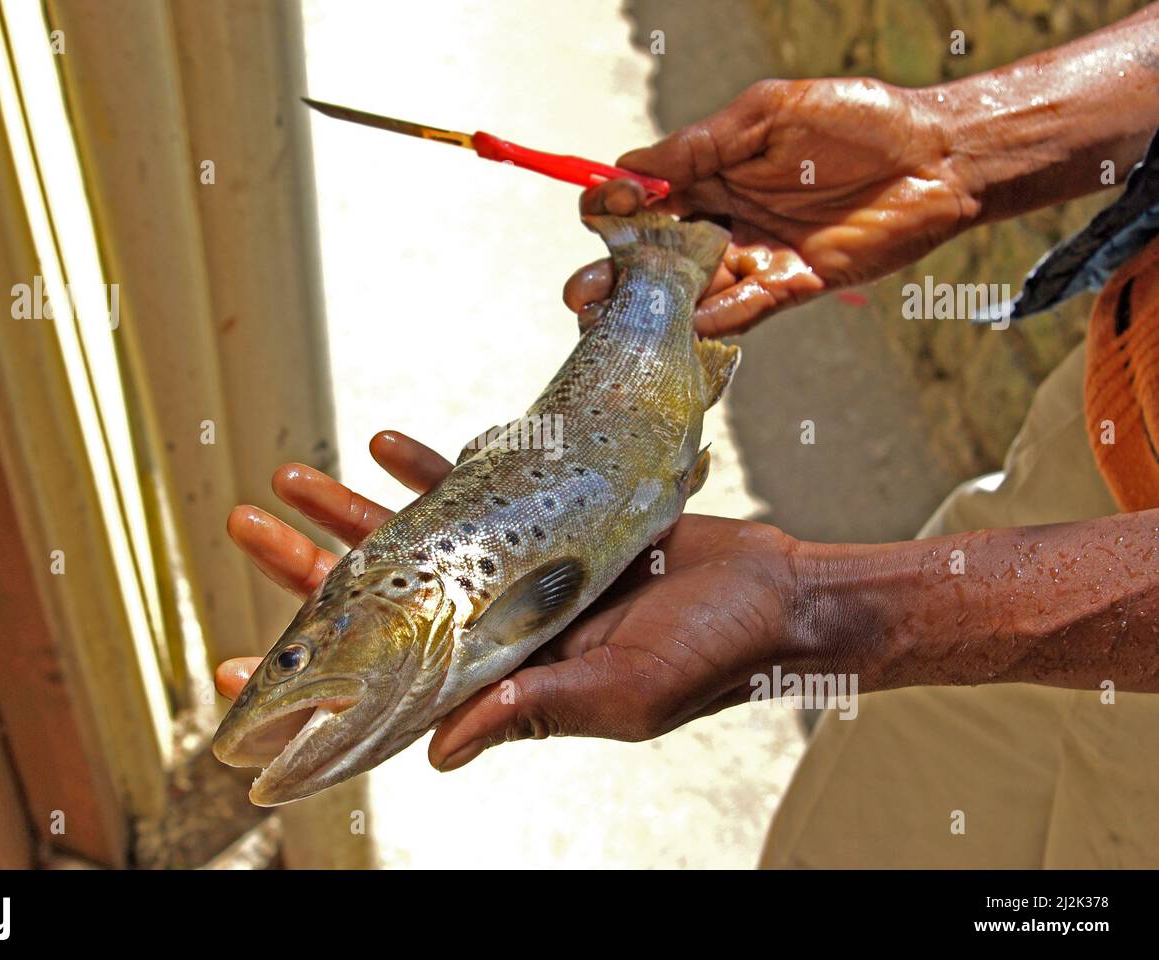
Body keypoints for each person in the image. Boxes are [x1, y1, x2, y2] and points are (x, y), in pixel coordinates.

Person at [217, 6, 1159, 866]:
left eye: (302, 658)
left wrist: (817, 612)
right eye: (297, 657)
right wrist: (957, 148)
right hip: (1110, 422)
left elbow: (545, 589)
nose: (295, 673)